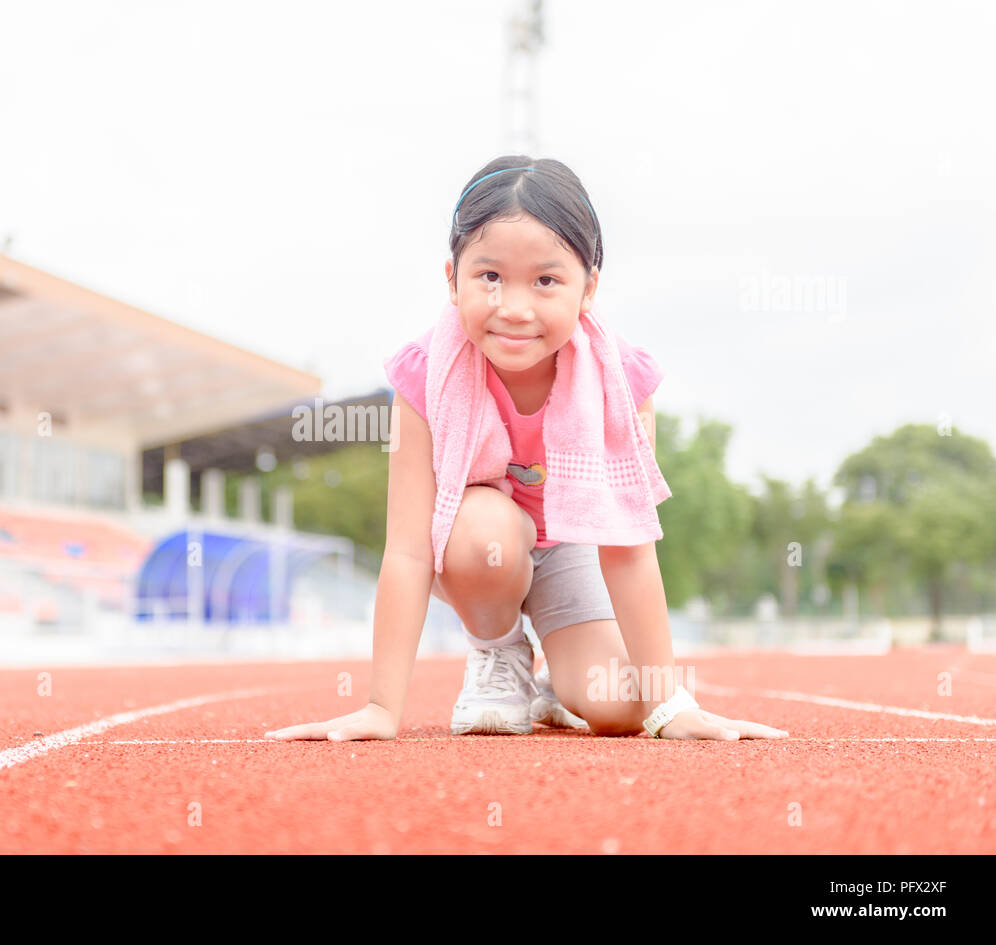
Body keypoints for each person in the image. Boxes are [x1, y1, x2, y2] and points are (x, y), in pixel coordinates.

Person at [264, 156, 789, 743]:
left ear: (588, 289)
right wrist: (381, 709)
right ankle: (498, 652)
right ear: (452, 279)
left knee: (619, 710)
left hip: (571, 546)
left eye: (546, 280)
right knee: (487, 532)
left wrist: (670, 707)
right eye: (489, 276)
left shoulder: (623, 384)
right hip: (475, 546)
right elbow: (409, 550)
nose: (514, 307)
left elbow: (628, 549)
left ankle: (555, 688)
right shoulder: (424, 377)